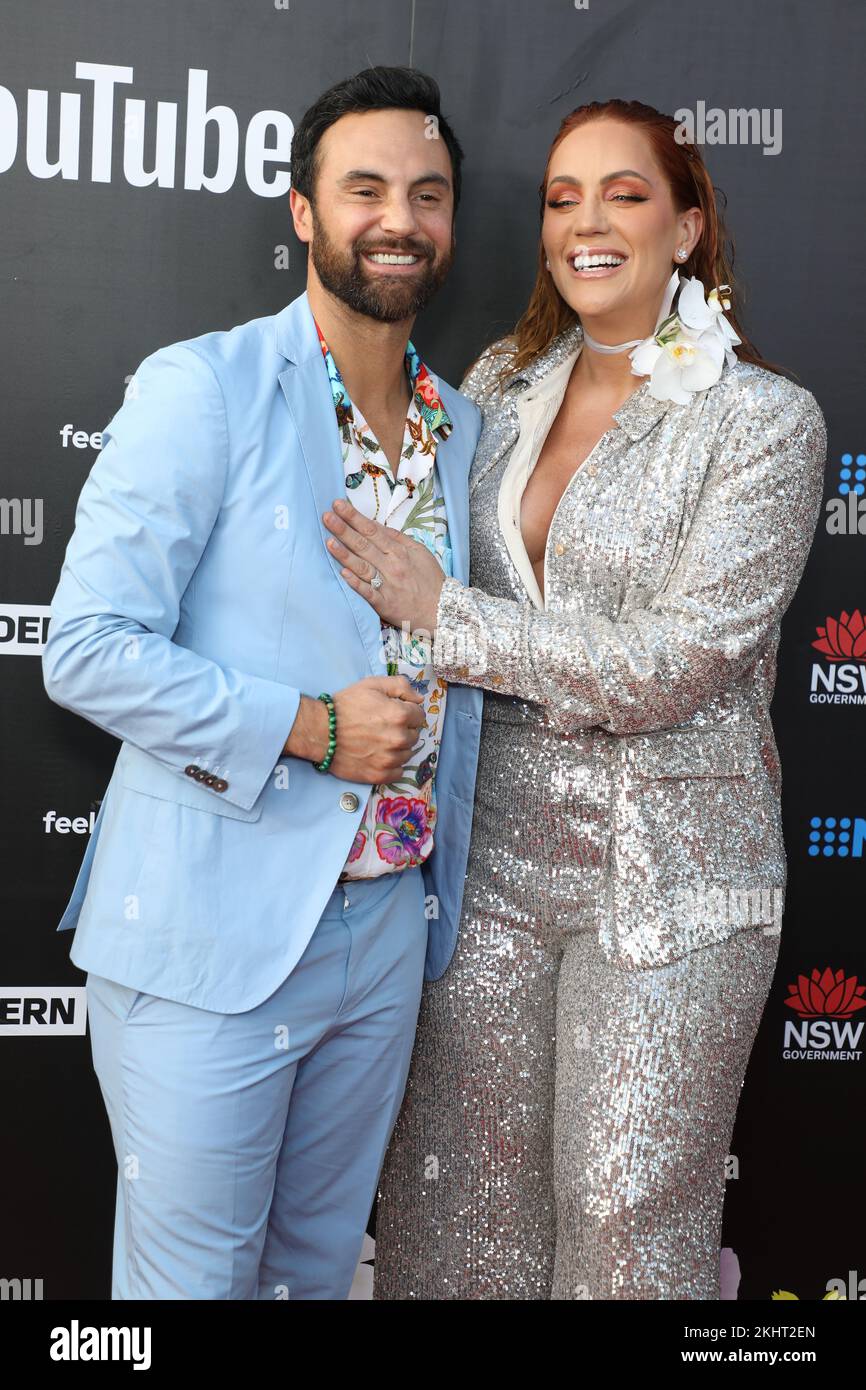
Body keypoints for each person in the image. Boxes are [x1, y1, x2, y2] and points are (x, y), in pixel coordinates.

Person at [321, 98, 828, 1299]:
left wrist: (448, 615)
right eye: (560, 198)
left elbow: (675, 660)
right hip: (488, 862)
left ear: (687, 224)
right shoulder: (499, 384)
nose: (585, 222)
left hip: (672, 880)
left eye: (623, 193)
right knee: (457, 1213)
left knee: (622, 1215)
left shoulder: (765, 420)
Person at [42, 66, 483, 1300]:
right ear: (303, 213)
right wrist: (309, 726)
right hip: (212, 937)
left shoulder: (464, 427)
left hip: (389, 928)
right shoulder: (206, 387)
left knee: (310, 1279)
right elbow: (84, 645)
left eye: (427, 193)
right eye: (364, 189)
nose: (397, 217)